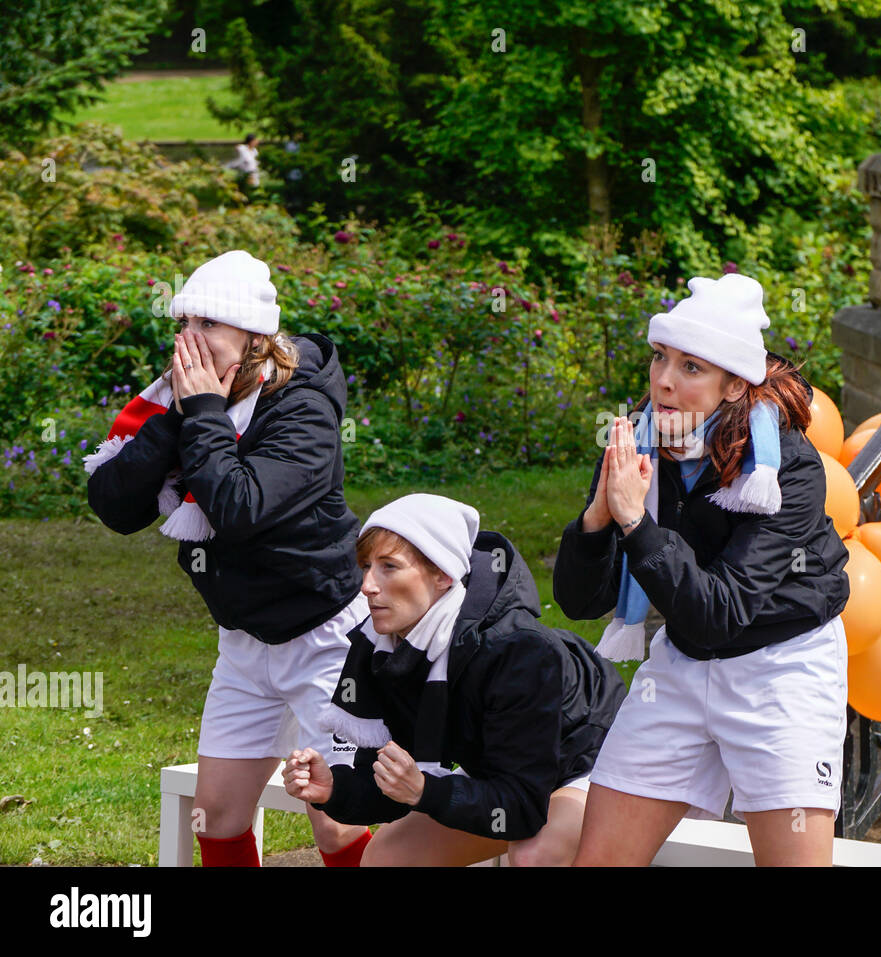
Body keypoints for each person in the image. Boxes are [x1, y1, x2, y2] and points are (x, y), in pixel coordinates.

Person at [552, 272, 851, 867]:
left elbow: (721, 612)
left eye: (691, 367)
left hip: (781, 666)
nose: (663, 381)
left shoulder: (786, 469)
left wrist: (638, 525)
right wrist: (599, 516)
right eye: (660, 357)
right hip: (683, 663)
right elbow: (580, 602)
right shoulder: (638, 441)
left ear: (735, 384)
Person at [85, 249, 372, 866]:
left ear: (254, 339)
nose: (189, 340)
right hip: (244, 641)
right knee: (214, 816)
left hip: (327, 636)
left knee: (337, 821)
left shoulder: (303, 407)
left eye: (208, 325)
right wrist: (178, 417)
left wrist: (203, 413)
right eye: (184, 324)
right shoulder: (183, 402)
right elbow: (115, 507)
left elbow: (239, 508)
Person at [283, 493, 628, 866]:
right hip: (505, 773)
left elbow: (524, 808)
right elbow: (386, 783)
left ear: (443, 574)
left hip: (590, 762)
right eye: (366, 566)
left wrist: (425, 790)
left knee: (535, 855)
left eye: (389, 566)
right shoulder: (382, 647)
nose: (367, 585)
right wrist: (334, 789)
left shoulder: (519, 651)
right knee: (386, 857)